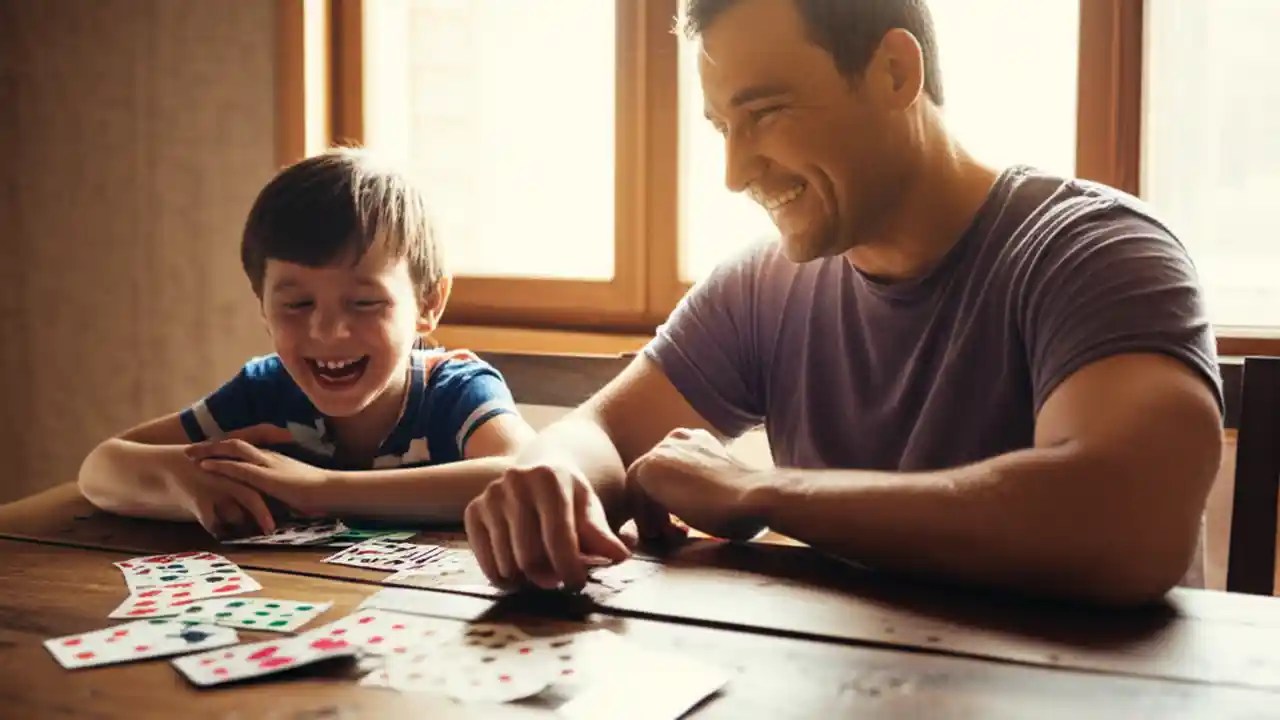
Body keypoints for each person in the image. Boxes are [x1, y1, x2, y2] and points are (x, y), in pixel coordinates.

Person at [463, 0, 1224, 605]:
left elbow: (1129, 524)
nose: (734, 172)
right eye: (723, 127)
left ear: (895, 71)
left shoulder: (1096, 250)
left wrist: (759, 490)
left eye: (764, 114)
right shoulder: (765, 286)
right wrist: (554, 471)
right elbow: (606, 431)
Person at [79, 148, 535, 539]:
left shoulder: (454, 389)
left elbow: (528, 475)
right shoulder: (265, 392)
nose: (327, 332)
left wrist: (319, 488)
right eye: (297, 304)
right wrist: (181, 476)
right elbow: (100, 468)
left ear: (428, 303)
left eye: (363, 302)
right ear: (262, 307)